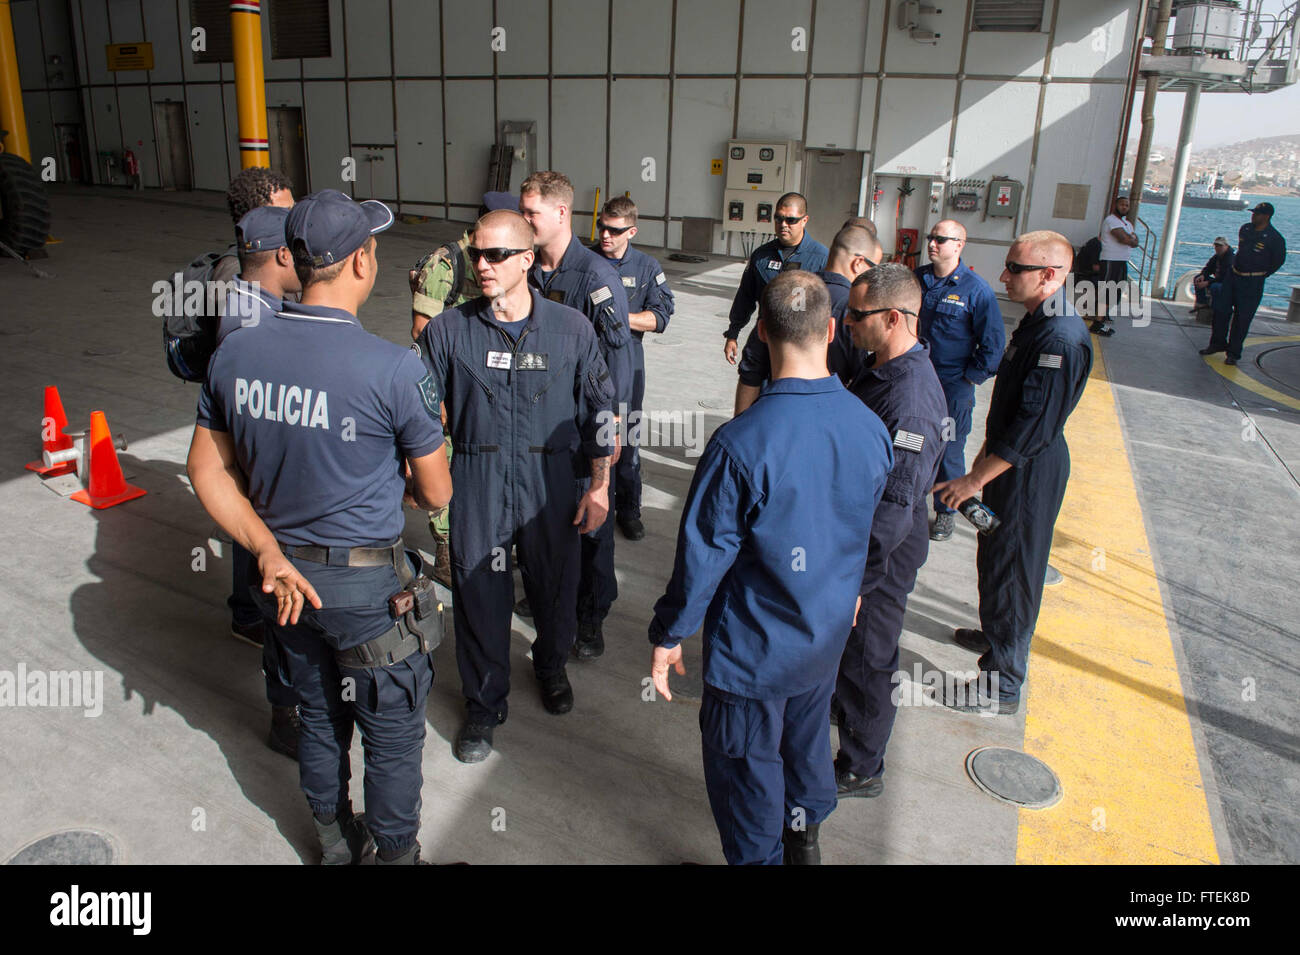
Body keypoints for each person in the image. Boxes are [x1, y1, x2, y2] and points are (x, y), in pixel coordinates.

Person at [188, 189, 453, 864]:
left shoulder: (236, 354)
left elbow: (208, 471)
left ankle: (335, 841)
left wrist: (267, 549)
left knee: (316, 717)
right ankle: (393, 854)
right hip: (366, 593)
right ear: (361, 262)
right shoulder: (396, 369)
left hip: (283, 583)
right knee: (390, 732)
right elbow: (435, 490)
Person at [649, 271, 894, 865]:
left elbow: (703, 556)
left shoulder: (740, 444)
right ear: (832, 330)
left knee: (747, 778)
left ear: (761, 334)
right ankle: (805, 843)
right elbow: (875, 528)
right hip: (824, 643)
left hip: (753, 659)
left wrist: (670, 634)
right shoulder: (869, 428)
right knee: (805, 749)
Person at [416, 210, 615, 763]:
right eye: (476, 253)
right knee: (479, 595)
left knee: (555, 587)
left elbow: (602, 412)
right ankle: (483, 706)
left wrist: (599, 487)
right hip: (476, 479)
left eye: (496, 255)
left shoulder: (571, 330)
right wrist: (417, 474)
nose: (481, 265)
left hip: (550, 482)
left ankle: (550, 667)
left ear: (527, 259)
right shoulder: (448, 331)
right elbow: (415, 410)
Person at [933, 231, 1092, 716]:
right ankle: (995, 632)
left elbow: (1033, 427)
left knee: (1014, 569)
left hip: (1027, 470)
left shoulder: (1060, 337)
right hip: (1007, 460)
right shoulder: (1036, 322)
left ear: (1049, 275)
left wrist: (973, 479)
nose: (1003, 276)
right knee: (994, 552)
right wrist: (984, 458)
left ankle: (1000, 684)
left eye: (1014, 269)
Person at [834, 264, 947, 798]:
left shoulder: (911, 404)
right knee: (852, 651)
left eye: (857, 315)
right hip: (861, 540)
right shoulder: (881, 367)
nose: (847, 322)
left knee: (868, 656)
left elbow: (893, 510)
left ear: (894, 318)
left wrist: (857, 584)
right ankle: (846, 719)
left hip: (883, 552)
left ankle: (862, 765)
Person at [520, 171, 631, 661]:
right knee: (548, 520)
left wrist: (611, 435)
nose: (525, 221)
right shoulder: (528, 269)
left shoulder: (594, 277)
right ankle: (552, 597)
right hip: (540, 426)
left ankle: (591, 615)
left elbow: (617, 365)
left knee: (593, 527)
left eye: (531, 213)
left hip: (585, 427)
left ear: (561, 213)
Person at [409, 191, 516, 588]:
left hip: (488, 382)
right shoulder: (446, 264)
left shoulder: (510, 261)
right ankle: (446, 549)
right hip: (450, 385)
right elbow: (423, 334)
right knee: (447, 460)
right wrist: (440, 399)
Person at [914, 220, 1005, 543]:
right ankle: (908, 504)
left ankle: (946, 512)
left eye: (941, 239)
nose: (933, 244)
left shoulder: (975, 290)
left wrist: (969, 379)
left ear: (959, 245)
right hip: (916, 383)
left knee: (949, 451)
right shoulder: (917, 279)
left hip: (953, 390)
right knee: (910, 442)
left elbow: (993, 346)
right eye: (931, 238)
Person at [592, 195, 675, 542]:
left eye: (615, 230)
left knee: (626, 439)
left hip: (627, 364)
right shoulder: (584, 260)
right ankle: (592, 503)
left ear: (632, 231)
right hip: (588, 360)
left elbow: (661, 316)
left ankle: (628, 511)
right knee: (589, 436)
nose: (606, 236)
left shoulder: (646, 267)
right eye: (602, 228)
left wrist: (618, 321)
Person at [732, 224, 880, 414]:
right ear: (858, 263)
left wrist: (741, 424)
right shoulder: (857, 313)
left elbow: (751, 370)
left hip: (772, 414)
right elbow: (865, 385)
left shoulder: (788, 292)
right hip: (827, 421)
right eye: (874, 268)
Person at [722, 192, 829, 365]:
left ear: (804, 220)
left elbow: (830, 308)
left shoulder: (821, 258)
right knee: (749, 381)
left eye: (790, 220)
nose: (783, 225)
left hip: (800, 347)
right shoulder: (761, 256)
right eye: (778, 219)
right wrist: (733, 333)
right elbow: (745, 297)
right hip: (763, 342)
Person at [1202, 203, 1287, 366]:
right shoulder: (1245, 229)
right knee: (1220, 311)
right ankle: (1217, 343)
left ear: (1267, 216)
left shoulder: (1275, 238)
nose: (1253, 216)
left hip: (1252, 282)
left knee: (1242, 318)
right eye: (1253, 213)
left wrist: (1261, 273)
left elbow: (1278, 261)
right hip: (1233, 277)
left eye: (1258, 214)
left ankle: (1233, 353)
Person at [1093, 195, 1138, 336]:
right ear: (1116, 206)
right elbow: (1125, 239)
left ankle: (1103, 317)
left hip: (1121, 261)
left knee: (1115, 292)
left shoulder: (1127, 224)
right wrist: (1130, 238)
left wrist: (1131, 239)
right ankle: (1097, 323)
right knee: (1106, 292)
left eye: (1127, 205)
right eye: (1122, 204)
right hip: (1110, 260)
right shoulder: (1111, 220)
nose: (1124, 207)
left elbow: (1136, 242)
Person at [1192, 237, 1233, 312]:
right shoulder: (1216, 257)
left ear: (1226, 246)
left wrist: (1207, 283)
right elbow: (1208, 268)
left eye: (1220, 246)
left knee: (1215, 287)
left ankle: (1215, 308)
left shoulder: (1230, 259)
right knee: (1197, 278)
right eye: (1216, 246)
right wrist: (1203, 275)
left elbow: (1225, 277)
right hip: (1217, 280)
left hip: (1227, 283)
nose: (1217, 248)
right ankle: (1202, 303)